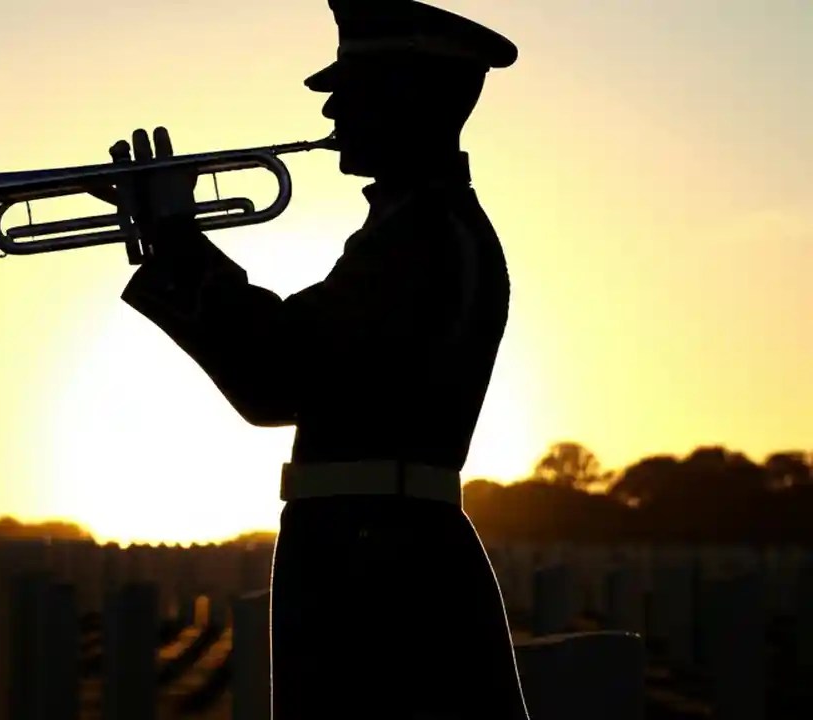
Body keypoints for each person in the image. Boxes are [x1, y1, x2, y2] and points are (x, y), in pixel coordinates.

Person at [105, 1, 530, 717]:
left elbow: (274, 376)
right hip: (373, 550)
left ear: (407, 96)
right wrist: (169, 241)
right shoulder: (412, 227)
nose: (331, 105)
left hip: (379, 568)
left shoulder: (421, 237)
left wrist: (178, 236)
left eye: (352, 86)